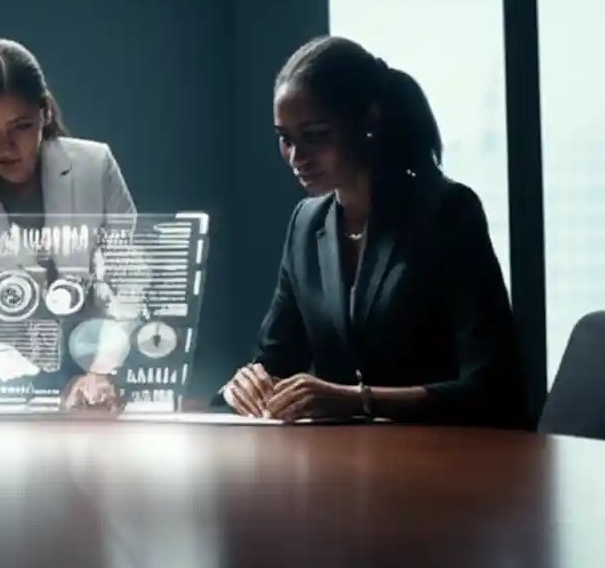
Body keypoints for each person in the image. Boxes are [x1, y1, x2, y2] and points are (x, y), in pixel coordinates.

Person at [221, 36, 524, 426]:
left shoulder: (447, 212)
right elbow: (276, 360)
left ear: (370, 121)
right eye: (285, 139)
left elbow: (494, 387)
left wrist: (357, 400)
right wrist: (248, 385)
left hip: (449, 458)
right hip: (345, 464)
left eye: (315, 135)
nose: (296, 157)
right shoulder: (306, 223)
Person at [0, 38, 138, 409]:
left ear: (45, 112)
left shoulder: (95, 165)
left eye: (20, 127)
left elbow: (129, 275)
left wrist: (103, 368)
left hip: (96, 377)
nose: (5, 147)